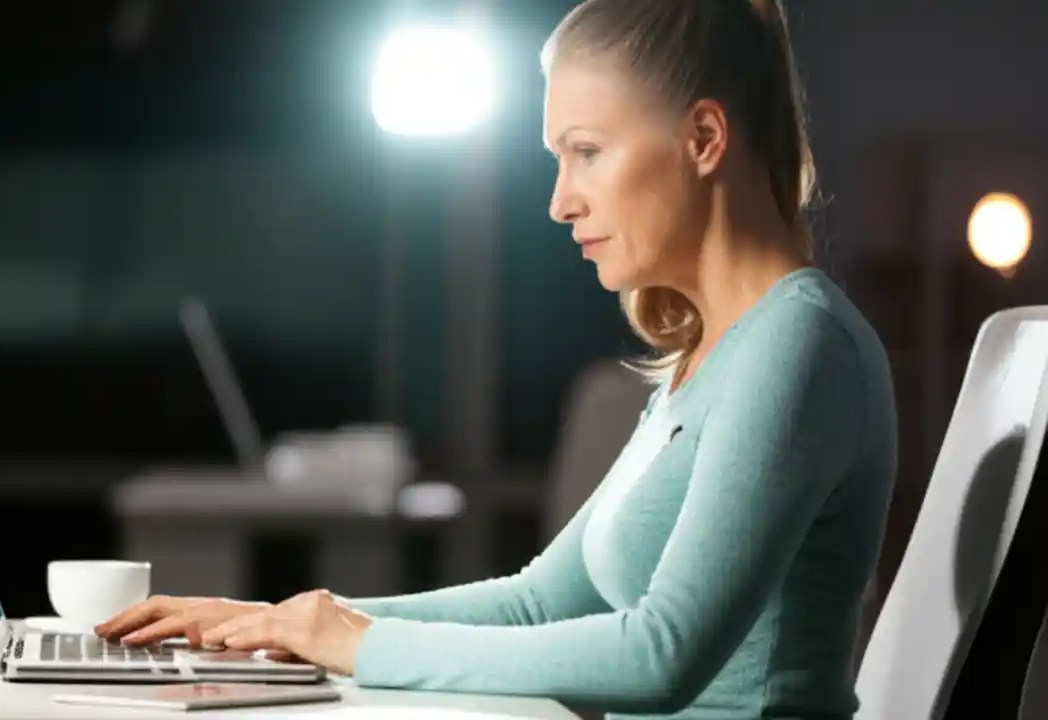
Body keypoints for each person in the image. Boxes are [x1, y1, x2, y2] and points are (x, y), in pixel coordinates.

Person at [96, 0, 897, 716]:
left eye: (586, 151)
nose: (560, 200)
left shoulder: (798, 346)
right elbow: (538, 602)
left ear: (704, 138)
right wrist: (286, 623)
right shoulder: (711, 357)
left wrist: (359, 646)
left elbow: (662, 655)